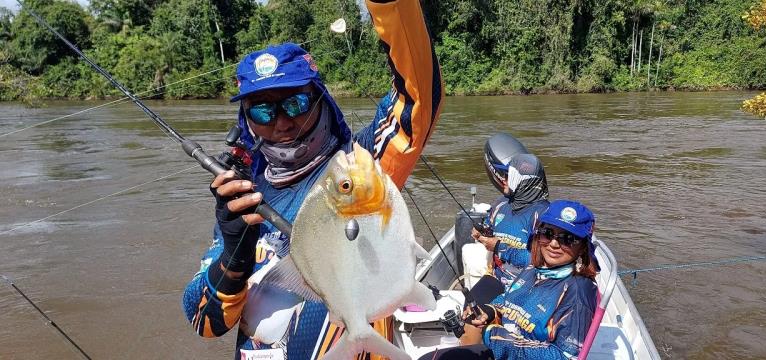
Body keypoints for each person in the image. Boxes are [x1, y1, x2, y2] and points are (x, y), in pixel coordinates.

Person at [181, 1, 443, 358]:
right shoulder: (244, 198)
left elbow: (418, 96)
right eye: (262, 110)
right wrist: (234, 253)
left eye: (295, 104)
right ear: (246, 119)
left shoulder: (360, 167)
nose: (282, 122)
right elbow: (205, 324)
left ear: (321, 99)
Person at [422, 200, 599, 360]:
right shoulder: (533, 268)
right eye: (547, 233)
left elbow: (565, 356)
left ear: (583, 247)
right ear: (537, 235)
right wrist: (489, 311)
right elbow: (506, 301)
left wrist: (499, 341)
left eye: (568, 239)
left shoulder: (578, 292)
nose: (554, 244)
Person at [472, 152, 550, 291]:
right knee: (470, 309)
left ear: (523, 181)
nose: (502, 179)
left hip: (529, 287)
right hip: (497, 279)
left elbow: (542, 261)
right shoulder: (500, 204)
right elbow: (490, 228)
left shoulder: (544, 215)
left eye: (508, 176)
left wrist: (499, 247)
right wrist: (483, 233)